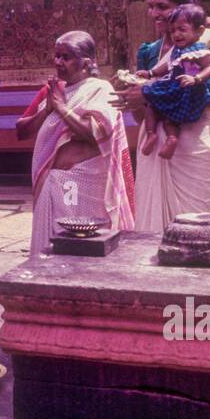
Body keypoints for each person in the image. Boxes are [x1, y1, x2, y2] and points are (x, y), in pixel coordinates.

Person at [115, 0, 210, 230]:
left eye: (162, 6)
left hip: (195, 143)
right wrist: (133, 97)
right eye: (151, 6)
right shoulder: (149, 52)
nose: (154, 13)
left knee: (202, 228)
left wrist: (152, 92)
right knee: (153, 231)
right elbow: (141, 115)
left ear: (184, 7)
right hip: (154, 144)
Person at [18, 31, 135, 255]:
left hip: (83, 184)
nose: (58, 62)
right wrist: (48, 110)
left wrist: (62, 108)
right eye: (57, 56)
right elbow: (21, 131)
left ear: (86, 62)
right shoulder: (52, 91)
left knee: (80, 247)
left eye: (66, 57)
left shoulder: (100, 89)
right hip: (50, 182)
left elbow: (95, 132)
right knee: (49, 248)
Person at [137, 3, 210, 159]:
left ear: (199, 31)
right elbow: (168, 66)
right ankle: (151, 134)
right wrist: (150, 73)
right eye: (173, 30)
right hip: (174, 86)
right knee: (150, 102)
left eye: (182, 30)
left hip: (189, 89)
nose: (176, 34)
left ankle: (172, 138)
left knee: (171, 117)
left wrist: (196, 78)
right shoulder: (177, 51)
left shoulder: (199, 51)